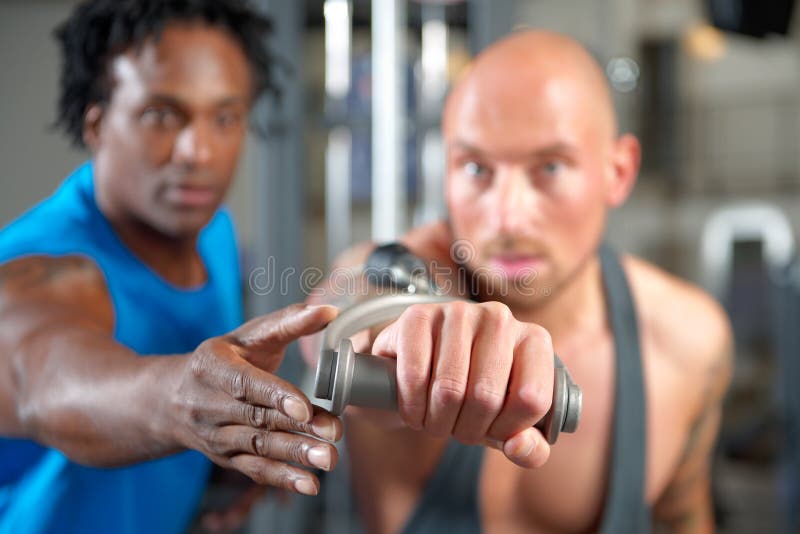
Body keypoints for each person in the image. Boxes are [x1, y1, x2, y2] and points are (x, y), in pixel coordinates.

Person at [303, 30, 733, 533]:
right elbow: (343, 300)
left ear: (618, 172)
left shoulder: (688, 342)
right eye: (476, 168)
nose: (506, 217)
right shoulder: (404, 272)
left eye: (549, 167)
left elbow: (685, 516)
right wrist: (391, 336)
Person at [0, 1, 342, 533]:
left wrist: (219, 467)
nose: (197, 151)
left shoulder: (213, 231)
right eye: (162, 115)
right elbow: (40, 379)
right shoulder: (42, 270)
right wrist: (184, 398)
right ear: (97, 123)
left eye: (225, 117)